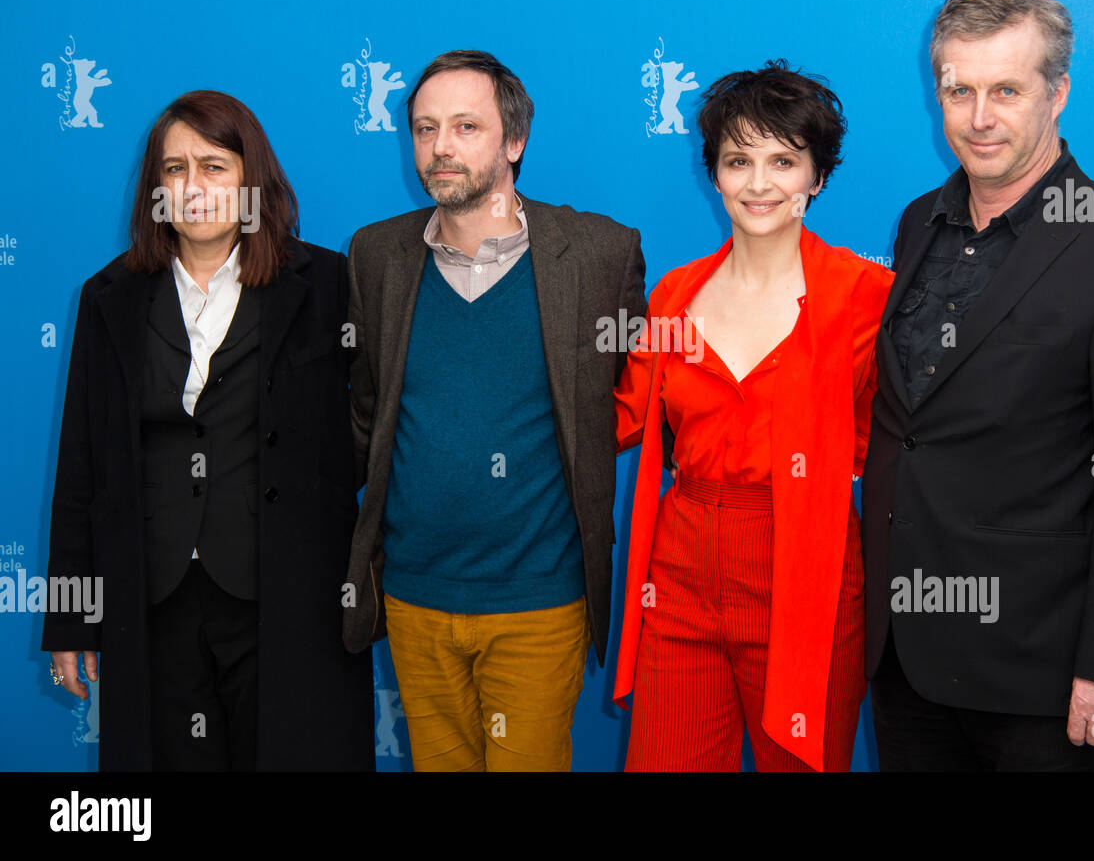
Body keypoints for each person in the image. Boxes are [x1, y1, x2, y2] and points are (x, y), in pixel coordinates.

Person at [862, 0, 1094, 771]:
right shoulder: (917, 223)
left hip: (1043, 677)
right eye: (960, 91)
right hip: (906, 658)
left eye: (1006, 90)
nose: (979, 118)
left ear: (1059, 94)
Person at [43, 90, 374, 770]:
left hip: (290, 600)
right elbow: (83, 466)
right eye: (174, 169)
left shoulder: (327, 285)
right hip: (154, 601)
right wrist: (72, 615)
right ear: (154, 188)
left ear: (252, 178)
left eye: (214, 167)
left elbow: (372, 425)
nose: (192, 188)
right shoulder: (107, 298)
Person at [342, 50, 646, 771]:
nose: (441, 147)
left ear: (514, 141)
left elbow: (632, 402)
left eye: (465, 127)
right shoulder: (377, 256)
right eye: (424, 129)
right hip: (414, 598)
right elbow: (363, 411)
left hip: (538, 599)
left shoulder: (600, 253)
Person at [613, 61, 894, 771]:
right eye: (739, 160)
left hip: (806, 579)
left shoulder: (868, 296)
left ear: (817, 177)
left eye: (784, 161)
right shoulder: (675, 295)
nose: (760, 183)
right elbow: (619, 418)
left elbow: (901, 440)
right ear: (714, 174)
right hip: (678, 578)